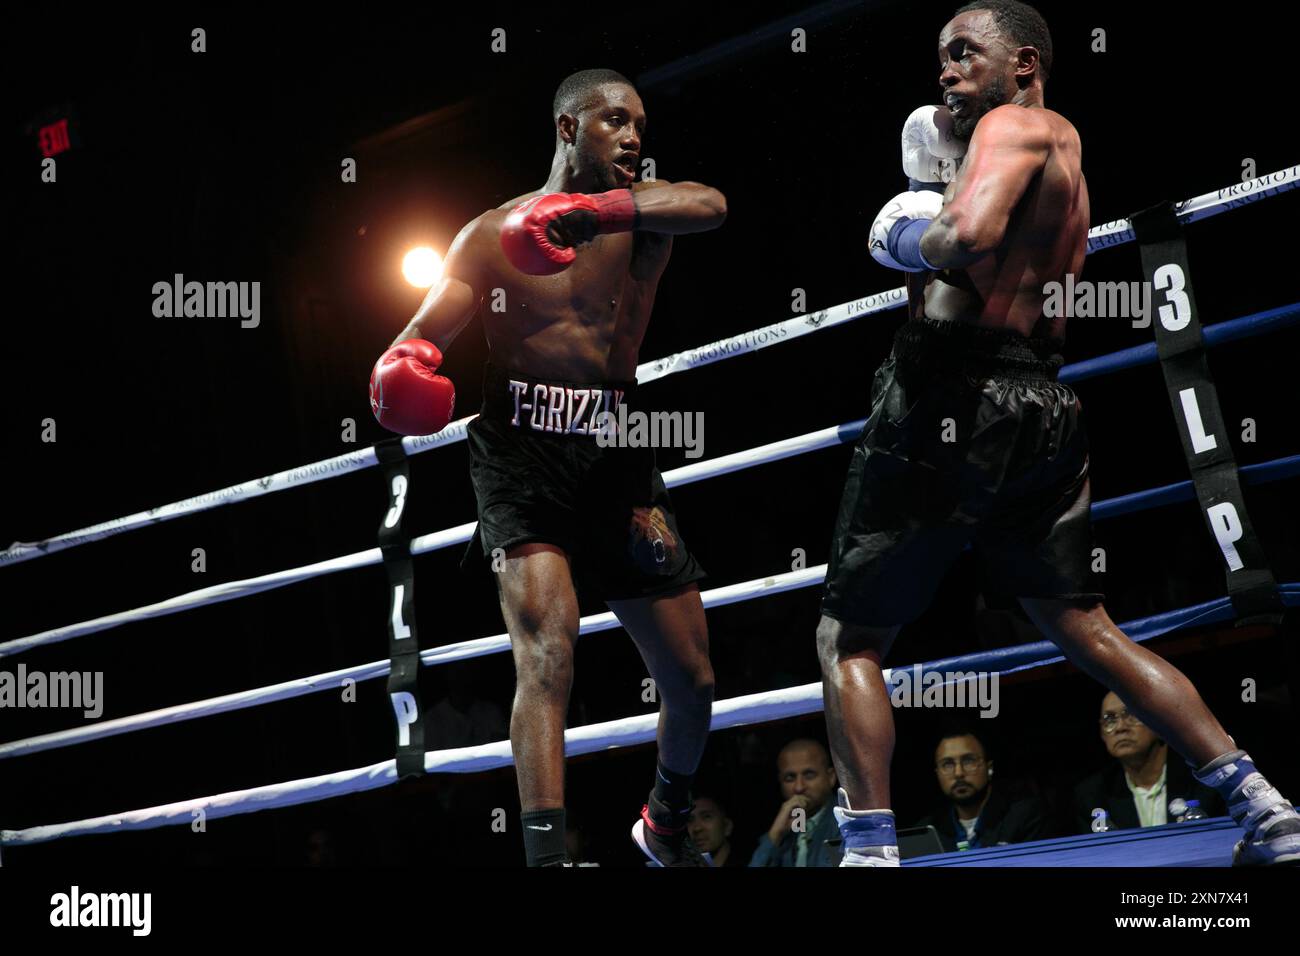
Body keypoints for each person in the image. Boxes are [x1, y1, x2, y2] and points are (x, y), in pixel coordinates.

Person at [816, 1, 1299, 867]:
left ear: (1026, 64)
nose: (947, 71)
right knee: (1083, 622)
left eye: (965, 53)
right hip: (1041, 403)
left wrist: (900, 232)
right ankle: (1264, 806)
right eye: (941, 58)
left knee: (848, 638)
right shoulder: (1060, 152)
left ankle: (869, 856)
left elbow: (964, 237)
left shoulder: (1014, 123)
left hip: (950, 397)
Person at [369, 68, 727, 866]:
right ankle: (546, 857)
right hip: (520, 457)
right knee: (548, 652)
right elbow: (423, 332)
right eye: (614, 121)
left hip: (616, 451)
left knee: (693, 678)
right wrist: (404, 363)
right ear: (569, 129)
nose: (634, 137)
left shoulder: (644, 211)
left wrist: (596, 212)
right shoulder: (492, 234)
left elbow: (712, 205)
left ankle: (664, 819)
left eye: (640, 122)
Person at [1073, 692, 1224, 832]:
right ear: (1102, 734)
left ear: (1158, 722)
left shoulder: (1204, 781)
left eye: (1131, 715)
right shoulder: (1092, 796)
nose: (1120, 728)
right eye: (1110, 719)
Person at [912, 730, 1049, 852]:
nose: (958, 773)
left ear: (989, 768)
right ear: (937, 774)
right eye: (947, 764)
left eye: (968, 761)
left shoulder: (1024, 817)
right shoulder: (926, 830)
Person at [749, 739, 841, 867]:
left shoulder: (846, 823)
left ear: (831, 777)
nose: (799, 787)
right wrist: (775, 834)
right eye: (790, 778)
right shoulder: (785, 830)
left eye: (809, 775)